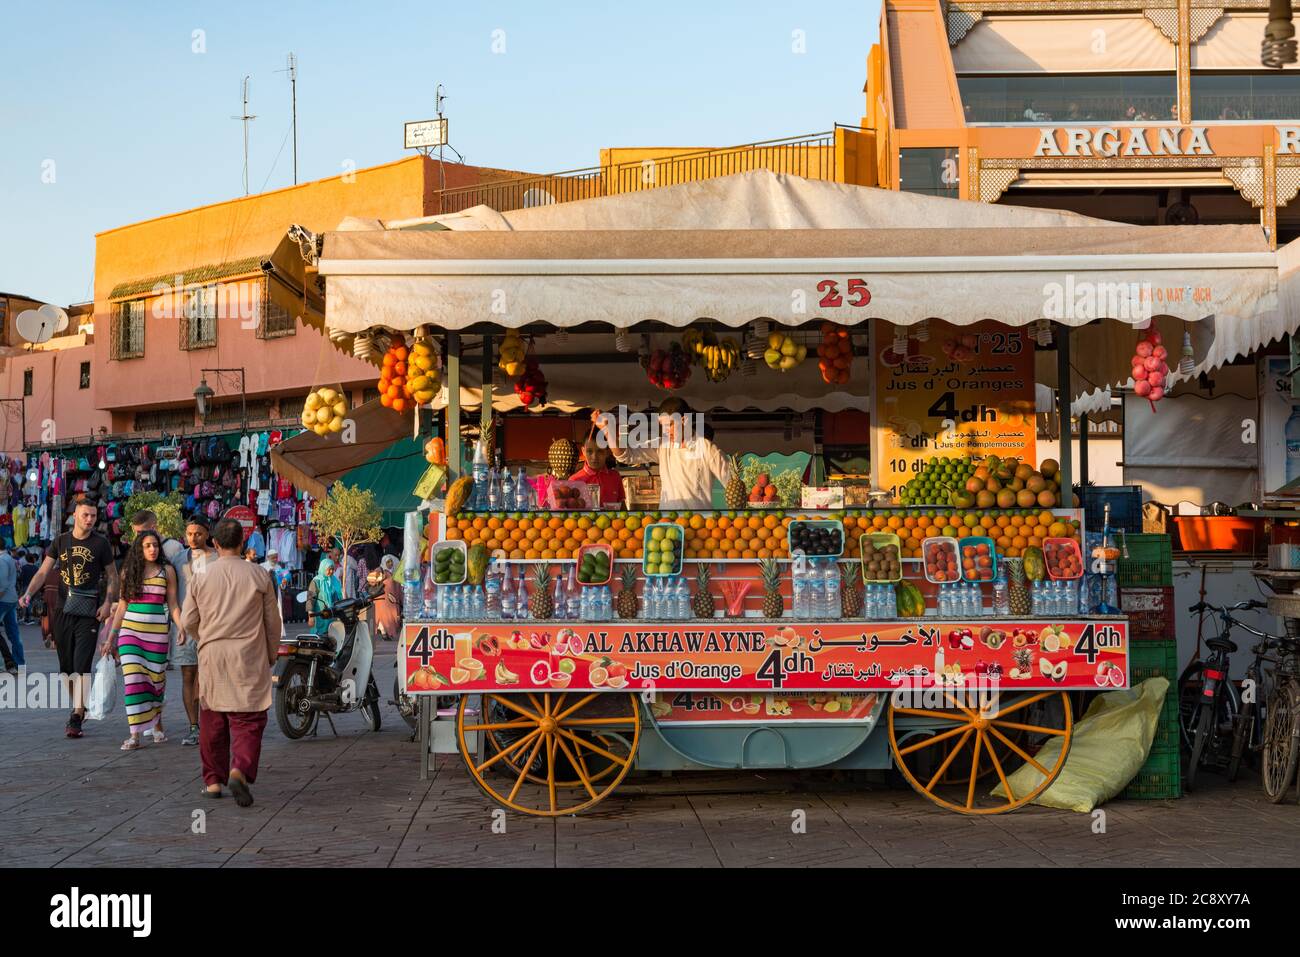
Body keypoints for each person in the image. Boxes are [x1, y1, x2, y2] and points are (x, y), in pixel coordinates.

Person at [180, 517, 281, 807]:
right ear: (243, 543)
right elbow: (272, 623)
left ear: (214, 543)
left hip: (213, 653)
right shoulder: (260, 576)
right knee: (248, 718)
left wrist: (206, 638)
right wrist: (271, 653)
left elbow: (188, 621)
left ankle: (212, 782)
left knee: (212, 719)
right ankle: (240, 769)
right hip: (248, 653)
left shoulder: (200, 578)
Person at [20, 497, 120, 738]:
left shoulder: (101, 544)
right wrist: (28, 593)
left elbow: (113, 576)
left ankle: (76, 715)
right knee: (66, 668)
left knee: (81, 663)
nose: (90, 520)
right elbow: (44, 571)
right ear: (75, 515)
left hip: (89, 612)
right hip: (63, 611)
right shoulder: (61, 541)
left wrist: (107, 603)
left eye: (94, 516)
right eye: (86, 515)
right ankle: (79, 703)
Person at [104, 530, 182, 750]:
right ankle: (135, 734)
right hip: (130, 634)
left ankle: (156, 723)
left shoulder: (167, 571)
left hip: (157, 636)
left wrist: (182, 627)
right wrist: (111, 637)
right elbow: (122, 606)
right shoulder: (129, 571)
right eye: (147, 545)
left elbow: (173, 604)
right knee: (133, 683)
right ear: (139, 548)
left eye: (155, 545)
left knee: (155, 683)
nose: (152, 549)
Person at [592, 399, 733, 510]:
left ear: (684, 421)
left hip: (700, 528)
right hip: (666, 526)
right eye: (662, 426)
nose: (665, 431)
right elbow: (625, 454)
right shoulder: (662, 446)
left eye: (670, 425)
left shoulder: (707, 449)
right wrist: (606, 430)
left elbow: (733, 483)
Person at [173, 517, 217, 747]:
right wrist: (179, 624)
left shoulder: (218, 559)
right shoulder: (179, 559)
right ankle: (193, 726)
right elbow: (172, 595)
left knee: (210, 677)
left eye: (198, 533)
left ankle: (212, 725)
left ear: (207, 534)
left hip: (212, 627)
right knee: (188, 675)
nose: (193, 538)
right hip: (184, 629)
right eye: (189, 533)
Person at [570, 437, 625, 508]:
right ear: (583, 451)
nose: (594, 457)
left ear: (607, 452)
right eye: (589, 451)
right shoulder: (574, 481)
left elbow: (623, 507)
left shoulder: (615, 476)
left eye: (600, 451)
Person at [0, 547, 24, 668]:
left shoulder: (2, 560)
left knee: (14, 634)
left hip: (3, 600)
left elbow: (2, 585)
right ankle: (19, 663)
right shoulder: (10, 559)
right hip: (11, 599)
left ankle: (7, 663)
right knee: (14, 634)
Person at [307, 557, 343, 637]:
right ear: (323, 568)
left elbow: (339, 597)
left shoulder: (335, 581)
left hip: (332, 616)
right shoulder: (316, 581)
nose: (331, 572)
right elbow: (310, 600)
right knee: (319, 638)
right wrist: (311, 616)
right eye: (329, 569)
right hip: (319, 616)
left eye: (333, 569)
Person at [372, 555, 402, 641]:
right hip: (381, 599)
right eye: (388, 562)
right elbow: (372, 580)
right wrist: (380, 574)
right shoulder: (381, 571)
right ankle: (384, 632)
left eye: (391, 561)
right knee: (383, 617)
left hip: (390, 600)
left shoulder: (393, 572)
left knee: (391, 616)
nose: (390, 563)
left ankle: (387, 633)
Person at [17, 552, 38, 624]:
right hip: (35, 587)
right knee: (31, 602)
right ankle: (30, 618)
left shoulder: (24, 568)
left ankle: (27, 618)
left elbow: (20, 578)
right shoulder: (36, 568)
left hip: (26, 587)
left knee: (26, 602)